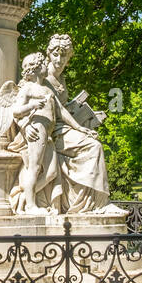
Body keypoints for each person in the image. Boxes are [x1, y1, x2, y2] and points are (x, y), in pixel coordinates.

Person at [0, 53, 89, 214]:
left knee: (52, 172)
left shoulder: (47, 88)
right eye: (44, 64)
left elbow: (61, 111)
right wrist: (32, 105)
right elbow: (17, 111)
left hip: (47, 132)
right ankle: (32, 206)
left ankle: (25, 197)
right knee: (34, 167)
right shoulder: (28, 88)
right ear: (36, 68)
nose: (48, 66)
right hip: (37, 129)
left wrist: (79, 127)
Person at [43, 34, 117, 214]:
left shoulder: (61, 78)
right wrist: (79, 127)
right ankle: (97, 204)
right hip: (53, 131)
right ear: (49, 54)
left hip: (65, 127)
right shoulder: (44, 77)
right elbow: (57, 109)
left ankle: (93, 202)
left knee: (93, 142)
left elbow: (63, 107)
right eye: (55, 54)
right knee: (94, 147)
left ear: (69, 57)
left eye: (64, 55)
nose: (59, 59)